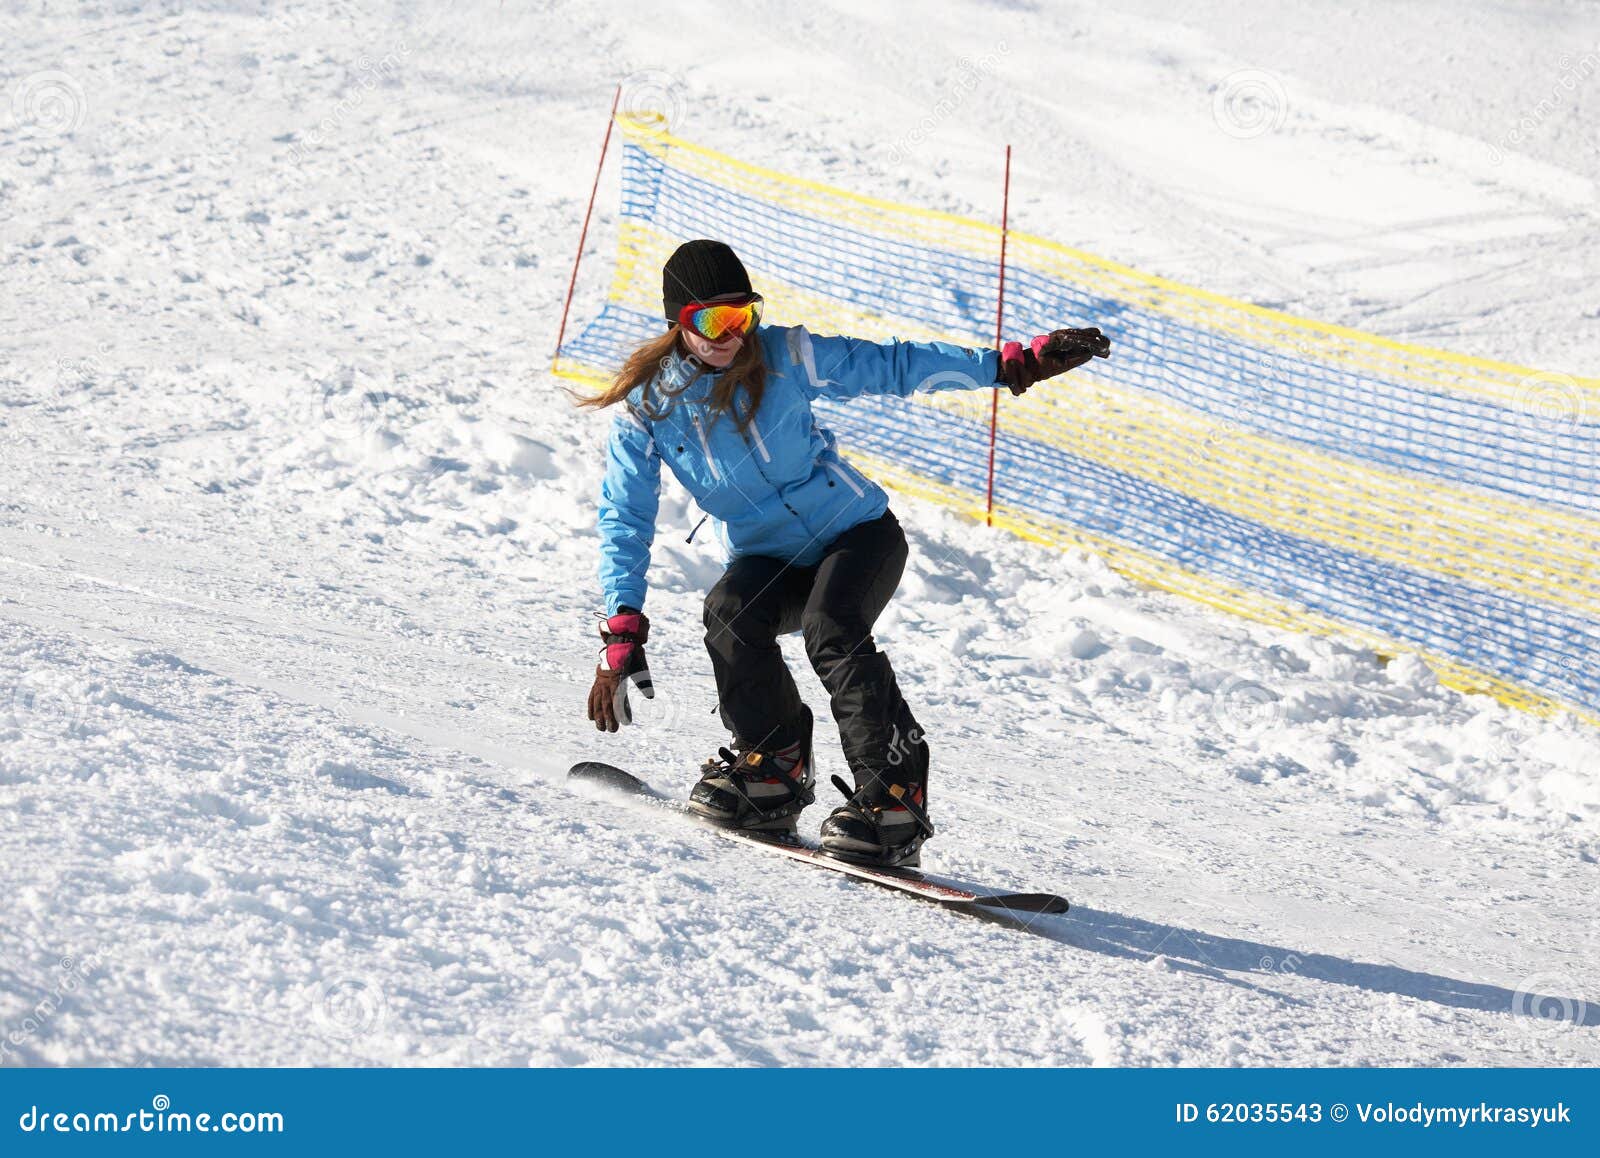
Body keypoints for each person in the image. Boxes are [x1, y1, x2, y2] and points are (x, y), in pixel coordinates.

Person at [581, 239, 1109, 867]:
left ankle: (894, 796)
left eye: (741, 317)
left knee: (833, 626)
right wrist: (621, 627)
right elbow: (626, 515)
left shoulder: (784, 357)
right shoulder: (648, 409)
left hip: (856, 534)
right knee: (728, 611)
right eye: (710, 320)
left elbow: (892, 365)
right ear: (677, 322)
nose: (730, 336)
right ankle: (771, 767)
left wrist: (1007, 366)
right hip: (770, 554)